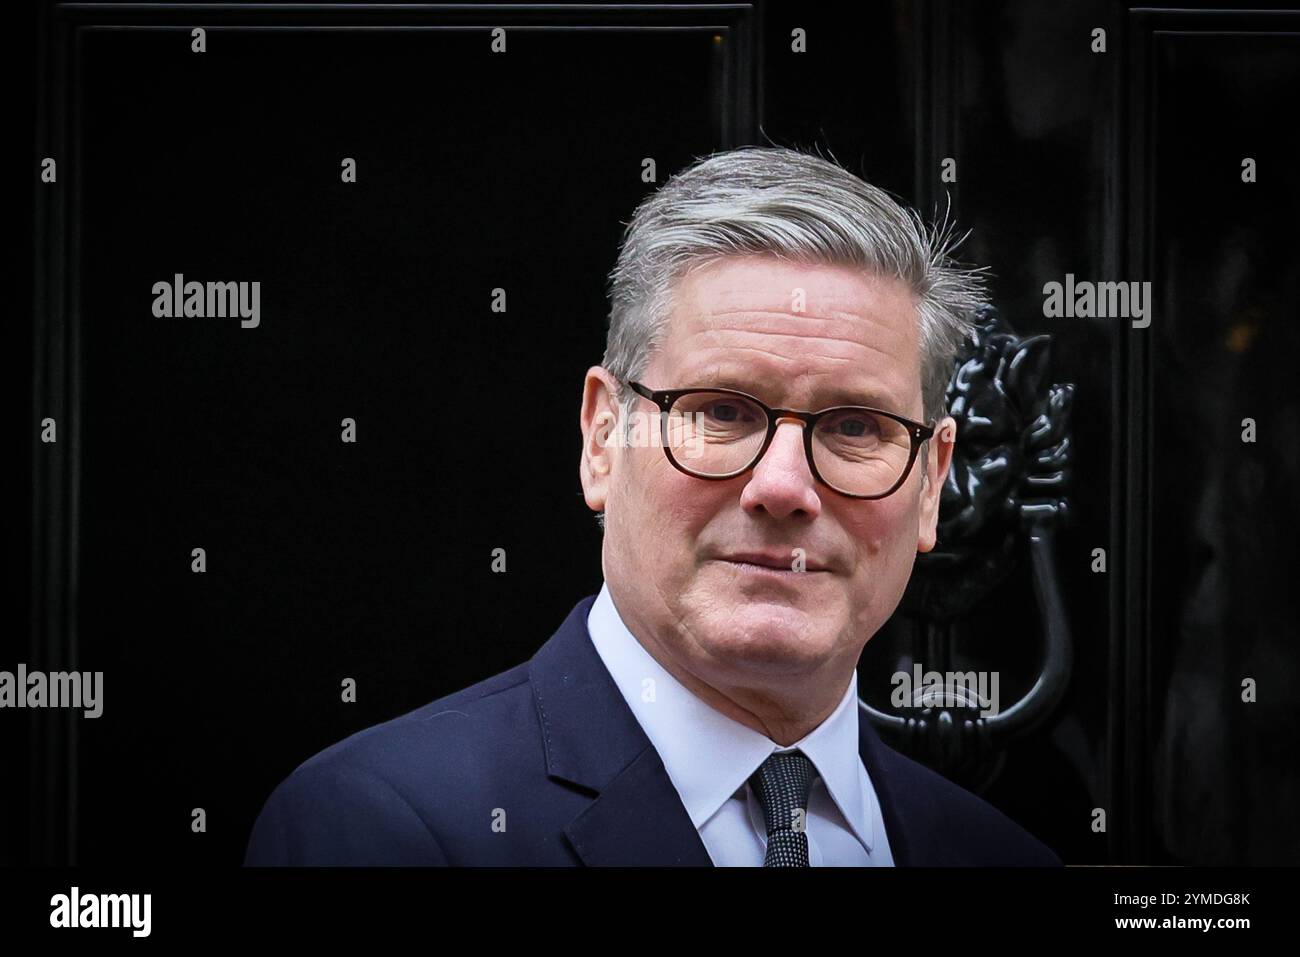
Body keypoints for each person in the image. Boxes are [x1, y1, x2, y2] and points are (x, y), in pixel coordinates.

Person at [245, 146, 1062, 866]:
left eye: (855, 426)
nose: (782, 486)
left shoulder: (999, 854)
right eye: (722, 412)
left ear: (930, 481)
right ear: (603, 436)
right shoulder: (379, 830)